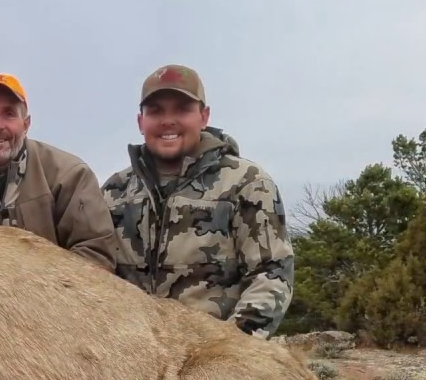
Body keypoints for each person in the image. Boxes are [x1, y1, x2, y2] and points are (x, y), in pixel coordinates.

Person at [101, 64, 295, 338]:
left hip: (212, 354)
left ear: (204, 117)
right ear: (140, 122)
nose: (168, 121)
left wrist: (233, 348)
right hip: (131, 353)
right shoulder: (113, 191)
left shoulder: (247, 182)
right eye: (156, 111)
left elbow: (272, 273)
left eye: (182, 109)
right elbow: (95, 273)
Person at [0, 72, 121, 273]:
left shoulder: (70, 177)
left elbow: (97, 260)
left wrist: (20, 294)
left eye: (9, 113)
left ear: (26, 124)